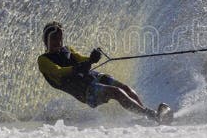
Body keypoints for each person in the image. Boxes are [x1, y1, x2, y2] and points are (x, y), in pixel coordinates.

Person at [37, 21, 170, 123]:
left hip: (93, 77)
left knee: (124, 88)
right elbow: (58, 71)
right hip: (85, 91)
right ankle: (151, 115)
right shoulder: (43, 60)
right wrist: (78, 68)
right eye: (54, 38)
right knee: (116, 92)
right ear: (45, 39)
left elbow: (82, 59)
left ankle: (147, 116)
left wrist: (92, 58)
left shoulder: (67, 49)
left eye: (60, 38)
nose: (58, 41)